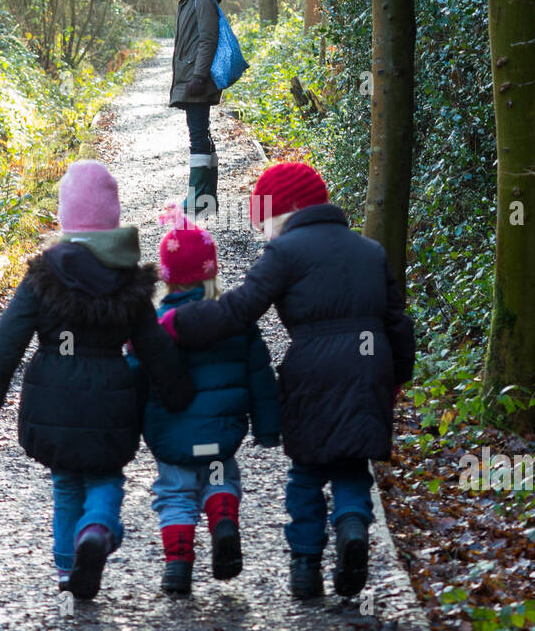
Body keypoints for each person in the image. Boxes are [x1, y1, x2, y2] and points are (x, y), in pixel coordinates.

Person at [157, 162, 415, 601]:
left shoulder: (286, 253)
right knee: (353, 467)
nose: (263, 233)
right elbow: (398, 323)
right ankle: (353, 528)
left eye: (265, 220)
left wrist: (178, 323)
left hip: (312, 367)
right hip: (370, 367)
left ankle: (305, 567)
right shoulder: (370, 250)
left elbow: (239, 310)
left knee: (307, 473)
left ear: (288, 210)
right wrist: (396, 378)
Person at [0, 160, 193, 600]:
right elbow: (153, 346)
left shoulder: (43, 274)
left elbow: (9, 334)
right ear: (113, 216)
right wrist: (178, 393)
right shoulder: (129, 279)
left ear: (66, 217)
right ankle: (98, 532)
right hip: (111, 396)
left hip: (51, 399)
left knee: (66, 482)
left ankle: (69, 569)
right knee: (105, 477)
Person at [127, 205, 281, 596]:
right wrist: (268, 428)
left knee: (176, 495)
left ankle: (178, 568)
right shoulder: (235, 323)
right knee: (219, 479)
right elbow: (260, 377)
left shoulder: (152, 328)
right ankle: (223, 521)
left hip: (172, 437)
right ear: (212, 272)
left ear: (165, 277)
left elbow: (133, 378)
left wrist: (123, 433)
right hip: (219, 435)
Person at [170, 0, 224, 217]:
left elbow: (208, 39)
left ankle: (198, 198)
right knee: (202, 133)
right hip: (194, 77)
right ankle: (207, 197)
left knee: (198, 135)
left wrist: (199, 77)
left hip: (197, 79)